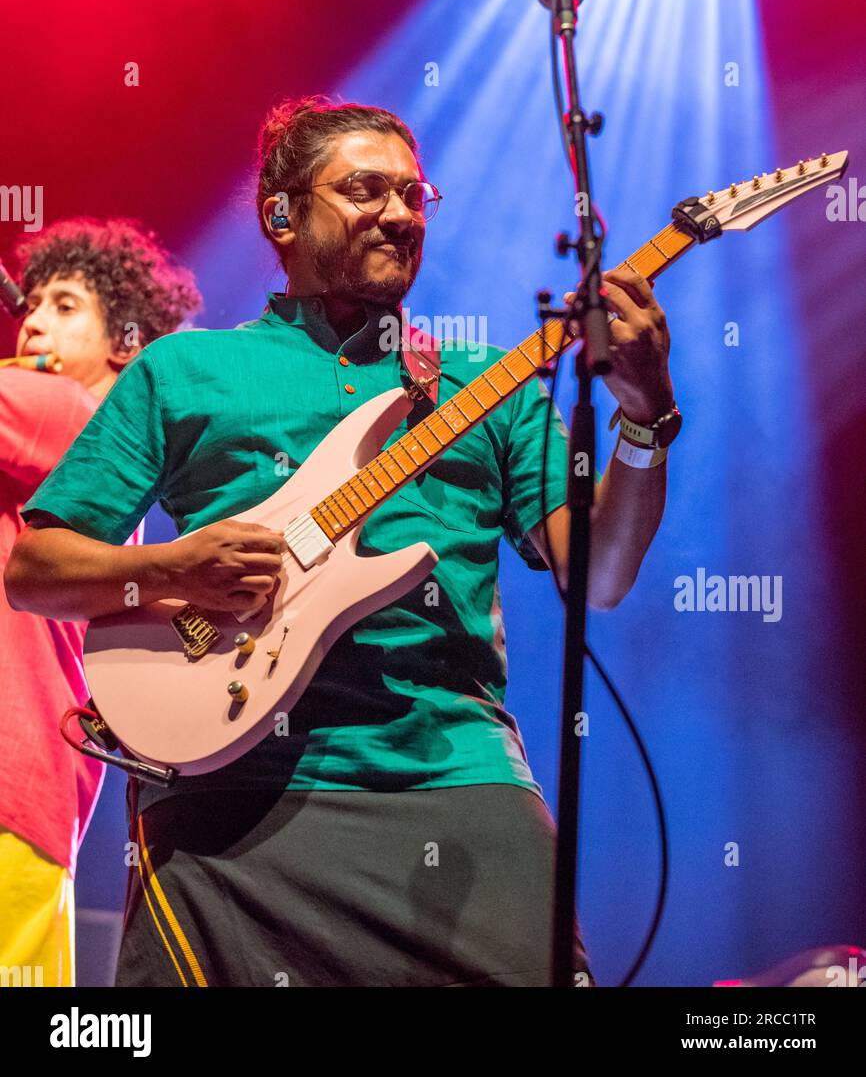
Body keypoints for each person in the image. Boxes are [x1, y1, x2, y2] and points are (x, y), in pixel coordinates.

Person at [5, 98, 678, 987]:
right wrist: (171, 567)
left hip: (456, 781)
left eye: (413, 195)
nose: (400, 214)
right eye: (366, 190)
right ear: (281, 215)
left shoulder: (488, 386)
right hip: (226, 796)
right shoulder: (185, 369)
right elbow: (37, 570)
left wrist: (643, 416)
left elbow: (603, 572)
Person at [0, 218, 200, 986]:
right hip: (35, 797)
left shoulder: (63, 410)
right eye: (32, 302)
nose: (34, 320)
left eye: (65, 304)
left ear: (125, 340)